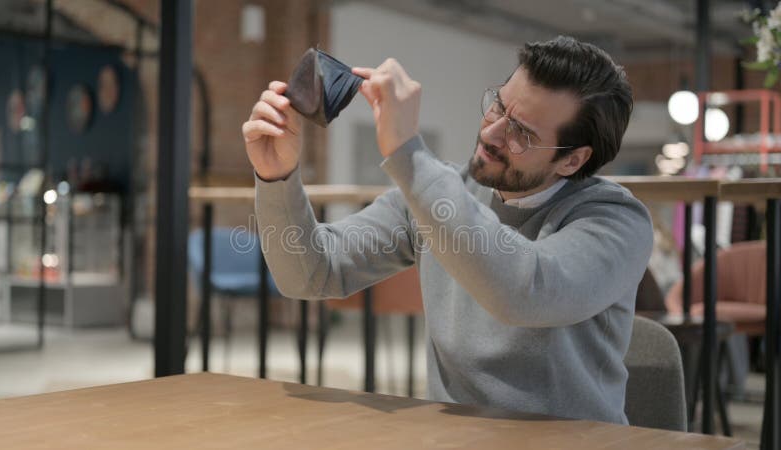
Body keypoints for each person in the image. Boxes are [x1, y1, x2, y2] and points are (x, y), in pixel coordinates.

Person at [241, 35, 653, 424]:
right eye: (498, 106)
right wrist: (277, 176)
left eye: (522, 133)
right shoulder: (441, 196)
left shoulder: (615, 222)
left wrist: (408, 155)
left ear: (571, 160)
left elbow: (525, 291)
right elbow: (312, 273)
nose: (492, 133)